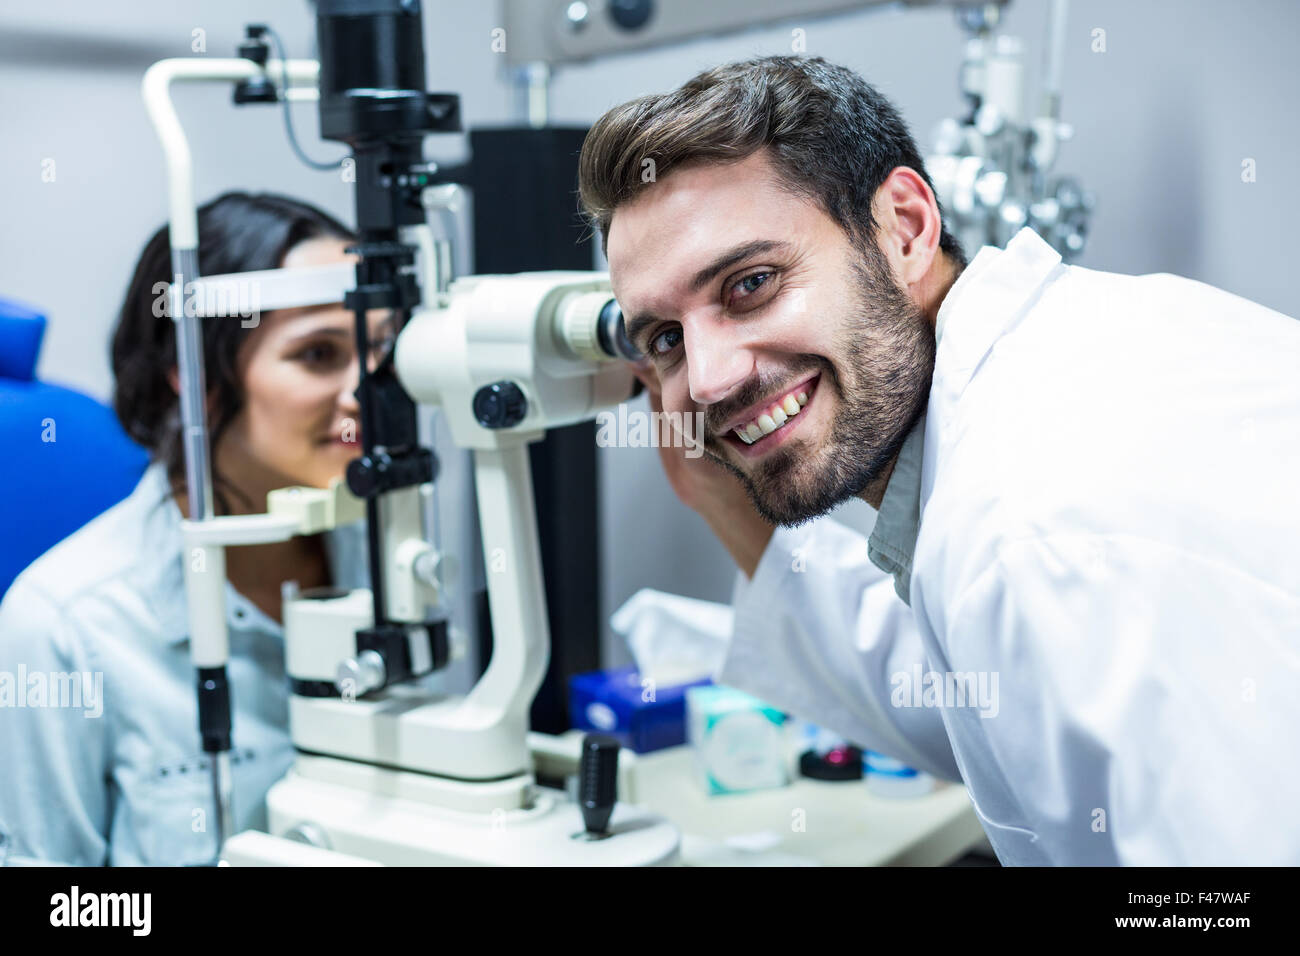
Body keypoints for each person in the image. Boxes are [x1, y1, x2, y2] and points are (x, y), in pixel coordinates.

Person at [579, 55, 1300, 864]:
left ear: (906, 228)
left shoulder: (1034, 525)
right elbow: (977, 697)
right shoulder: (1071, 363)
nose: (709, 380)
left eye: (751, 283)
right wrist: (720, 497)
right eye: (667, 340)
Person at [0, 192, 393, 865]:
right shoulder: (64, 629)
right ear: (195, 377)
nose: (370, 388)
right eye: (320, 354)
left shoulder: (389, 559)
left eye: (380, 347)